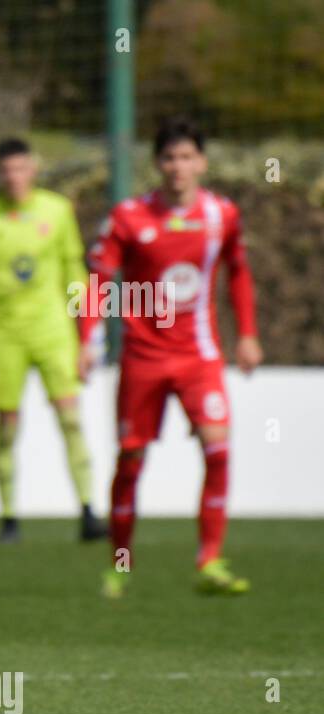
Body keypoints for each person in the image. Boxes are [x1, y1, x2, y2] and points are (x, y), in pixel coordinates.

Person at [81, 117, 260, 598]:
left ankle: (211, 561)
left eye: (186, 157)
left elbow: (239, 272)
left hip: (199, 358)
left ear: (201, 162)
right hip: (142, 360)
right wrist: (87, 338)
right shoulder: (129, 217)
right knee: (132, 460)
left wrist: (247, 334)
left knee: (218, 448)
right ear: (157, 164)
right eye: (168, 158)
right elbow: (99, 281)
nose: (178, 167)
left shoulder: (222, 214)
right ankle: (119, 563)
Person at [0, 138, 106, 543]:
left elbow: (75, 272)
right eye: (7, 170)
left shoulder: (57, 210)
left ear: (34, 168)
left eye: (22, 168)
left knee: (71, 419)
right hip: (5, 335)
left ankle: (89, 511)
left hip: (53, 332)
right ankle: (8, 518)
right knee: (7, 427)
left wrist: (91, 331)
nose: (15, 177)